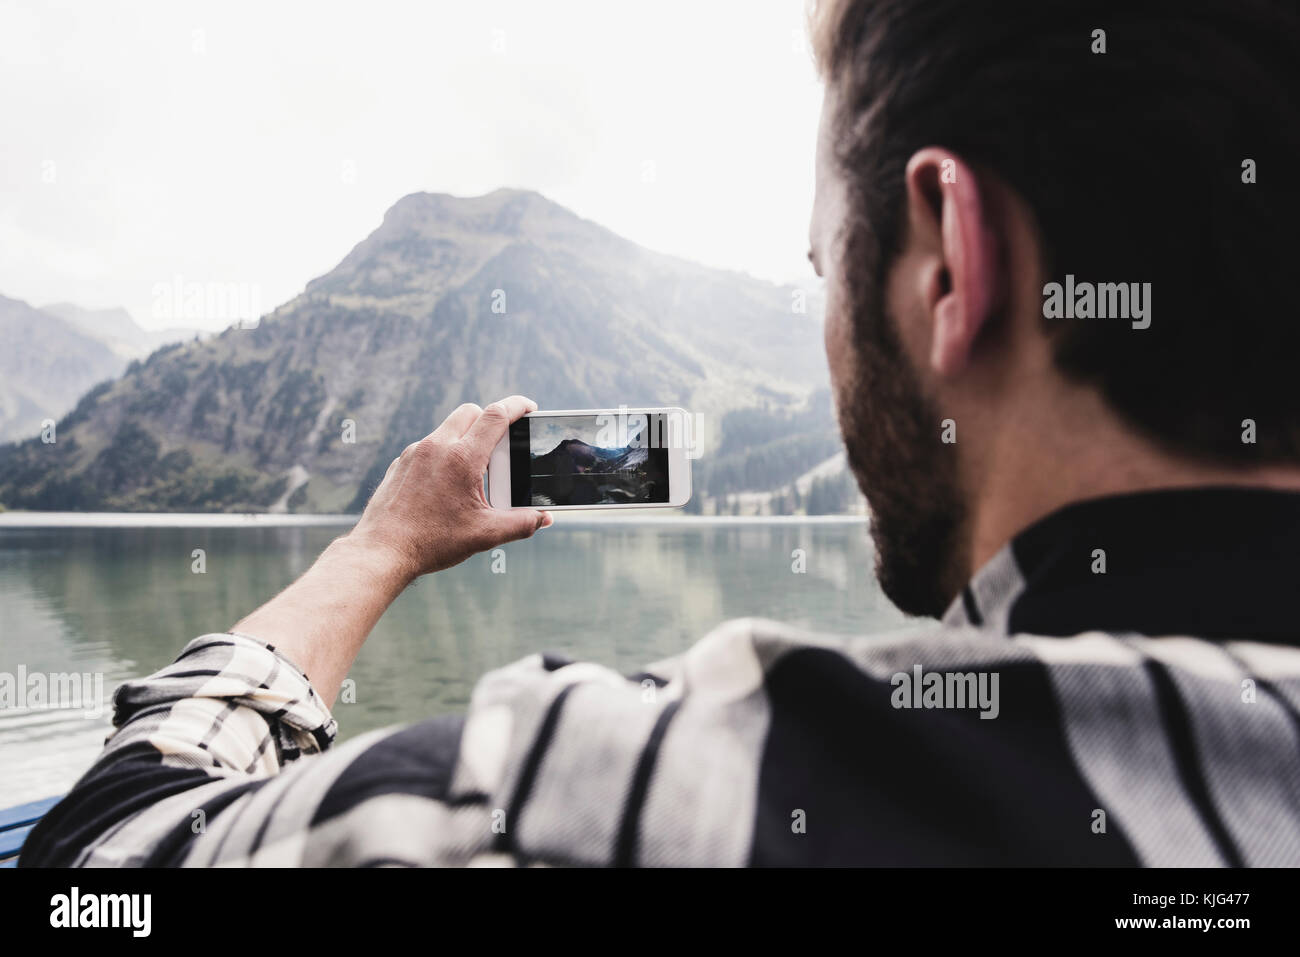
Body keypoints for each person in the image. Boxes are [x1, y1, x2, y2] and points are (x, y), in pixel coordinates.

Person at [23, 0, 1300, 866]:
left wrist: (375, 551)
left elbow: (106, 860)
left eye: (824, 268)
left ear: (949, 264)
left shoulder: (653, 782)